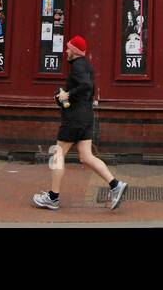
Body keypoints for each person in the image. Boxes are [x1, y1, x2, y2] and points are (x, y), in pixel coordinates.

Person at [33, 36, 128, 210]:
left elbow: (85, 86)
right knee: (86, 156)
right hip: (86, 116)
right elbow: (88, 87)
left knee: (57, 154)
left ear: (75, 51)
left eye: (69, 48)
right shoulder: (86, 66)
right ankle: (116, 185)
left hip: (74, 118)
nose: (66, 51)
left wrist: (67, 95)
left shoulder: (77, 66)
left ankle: (52, 198)